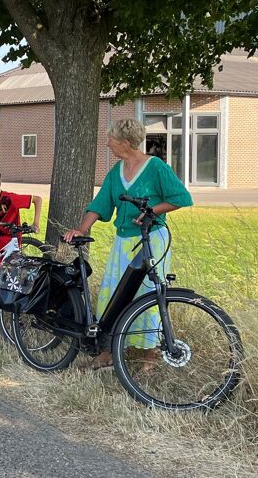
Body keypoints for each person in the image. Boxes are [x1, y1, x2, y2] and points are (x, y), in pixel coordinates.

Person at [63, 117, 193, 370]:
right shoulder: (116, 171)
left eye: (111, 140)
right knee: (113, 294)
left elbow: (181, 197)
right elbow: (101, 204)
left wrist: (151, 211)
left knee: (148, 294)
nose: (108, 144)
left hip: (151, 238)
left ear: (125, 142)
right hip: (123, 241)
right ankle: (110, 350)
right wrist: (81, 228)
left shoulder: (155, 167)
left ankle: (149, 355)